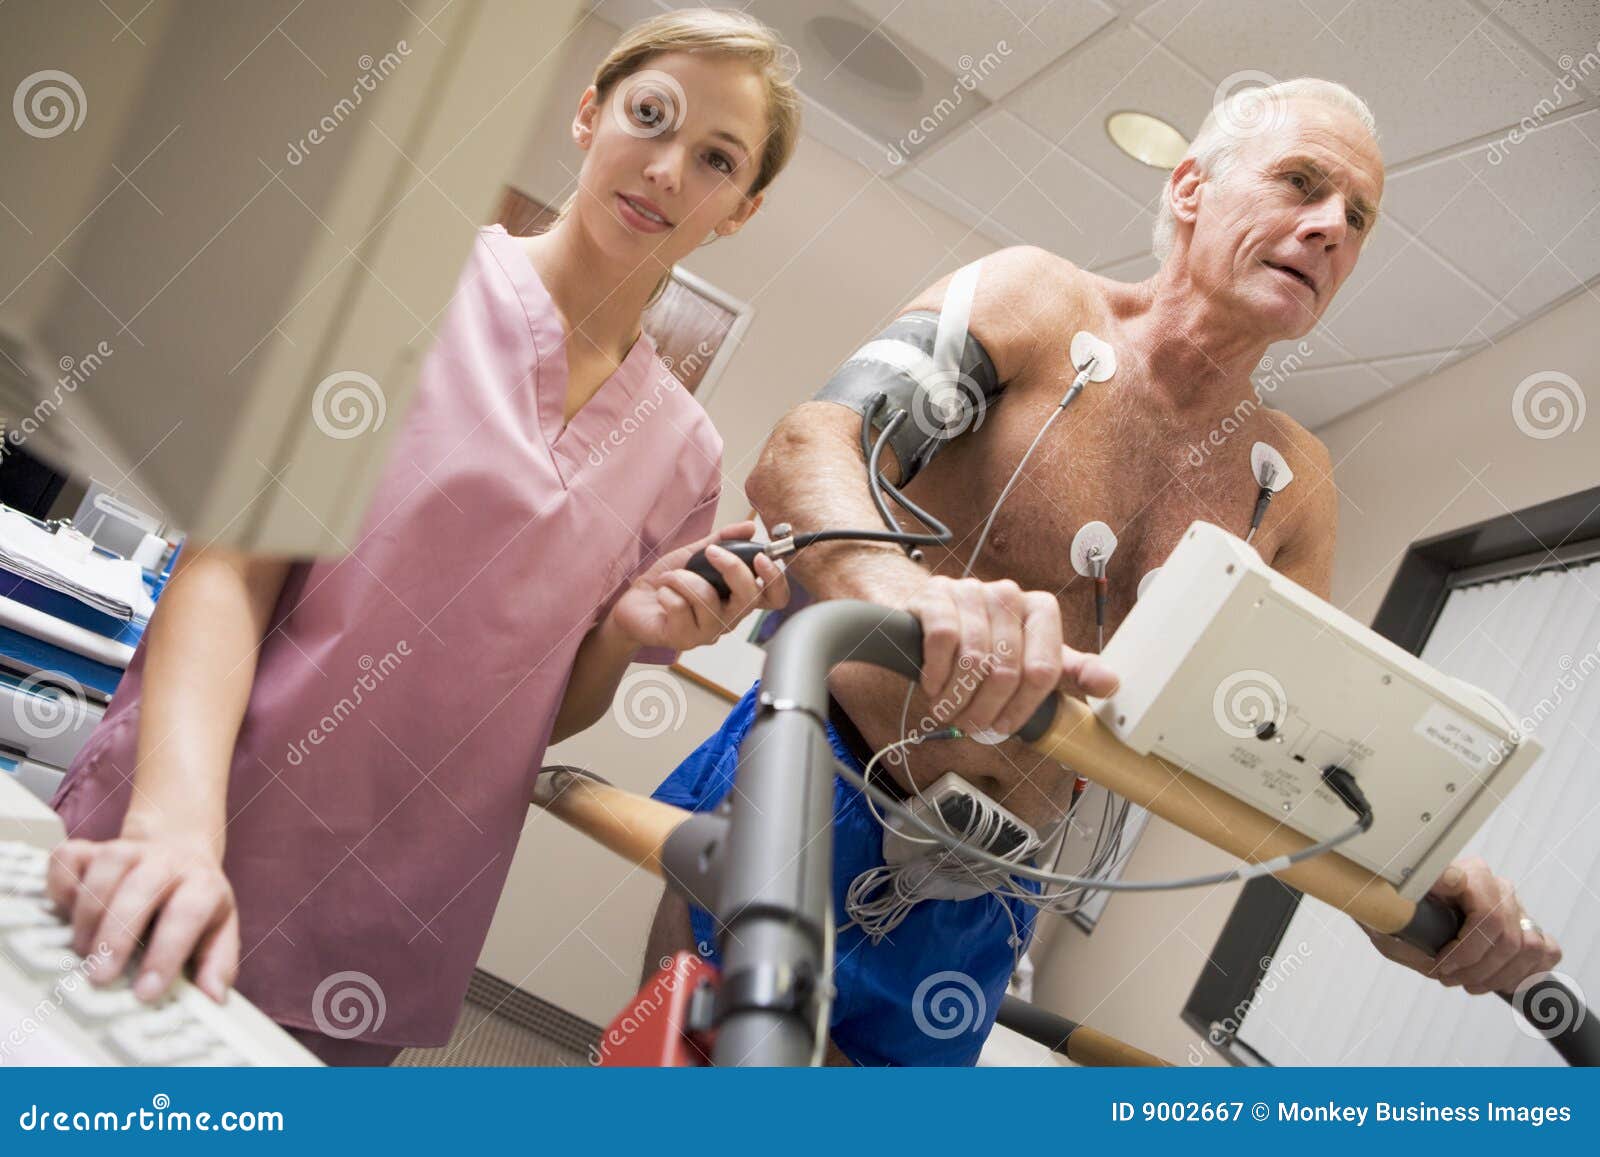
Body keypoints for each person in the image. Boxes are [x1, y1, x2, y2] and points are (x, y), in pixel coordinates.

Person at [647, 78, 1563, 1065]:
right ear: (1188, 190)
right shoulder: (1033, 302)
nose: (1330, 225)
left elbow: (1297, 756)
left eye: (1357, 217)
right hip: (817, 782)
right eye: (1299, 183)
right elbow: (804, 448)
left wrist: (1413, 869)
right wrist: (901, 590)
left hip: (991, 886)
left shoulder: (1291, 483)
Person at [47, 8, 803, 1065]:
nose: (669, 168)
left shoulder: (682, 455)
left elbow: (545, 710)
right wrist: (176, 822)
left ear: (741, 208)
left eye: (716, 158)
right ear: (589, 114)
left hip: (380, 917)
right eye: (650, 116)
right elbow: (231, 562)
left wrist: (621, 632)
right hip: (183, 825)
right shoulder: (398, 287)